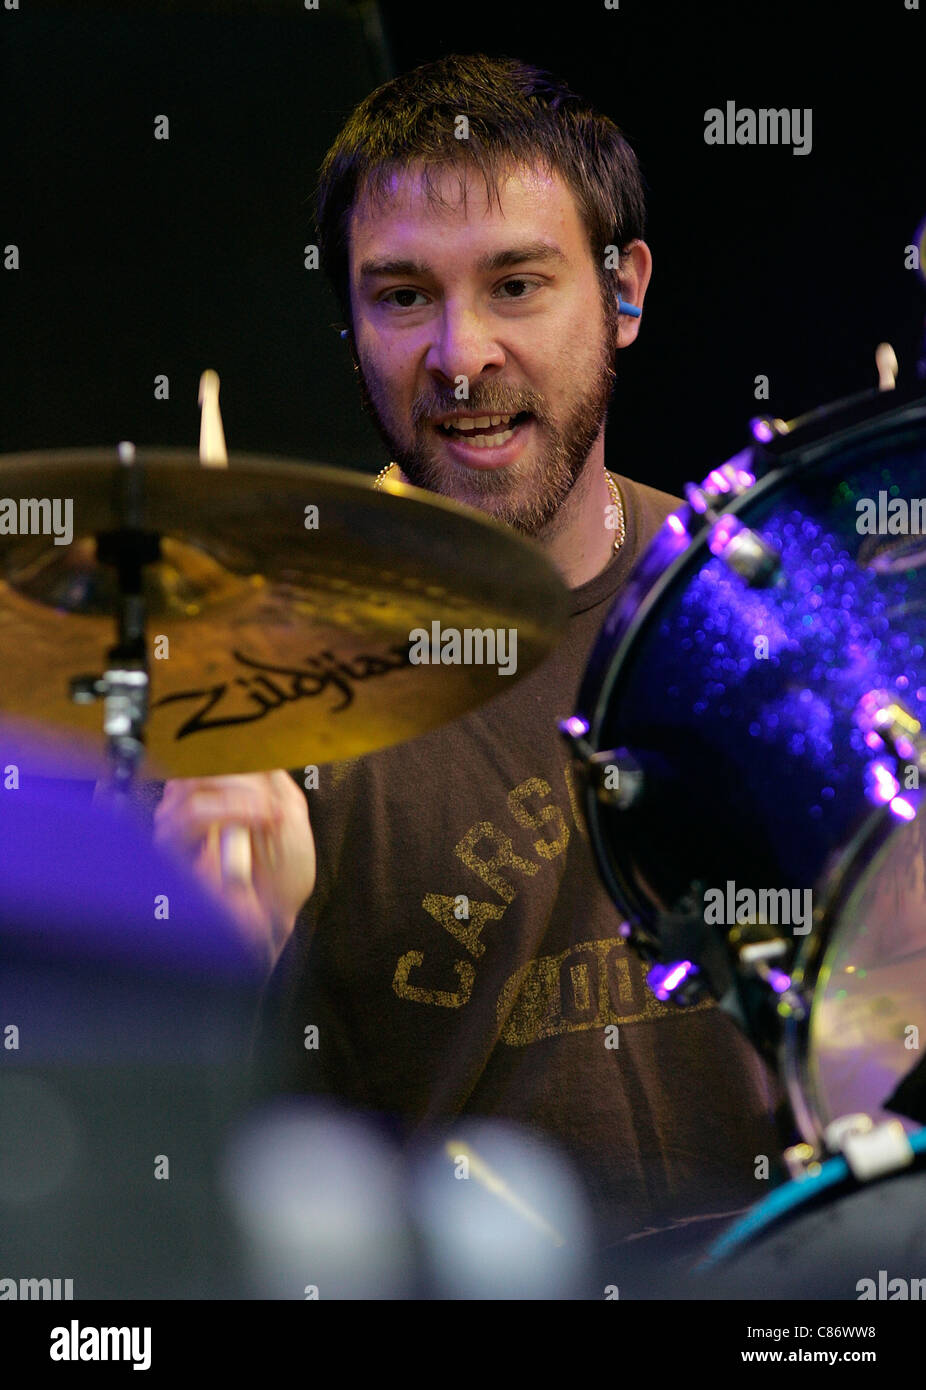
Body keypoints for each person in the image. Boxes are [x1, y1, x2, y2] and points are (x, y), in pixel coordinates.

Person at [154, 52, 784, 1289]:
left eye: (514, 282)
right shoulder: (262, 675)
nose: (459, 353)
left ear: (622, 292)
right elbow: (166, 1173)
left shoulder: (756, 600)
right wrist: (217, 955)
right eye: (401, 295)